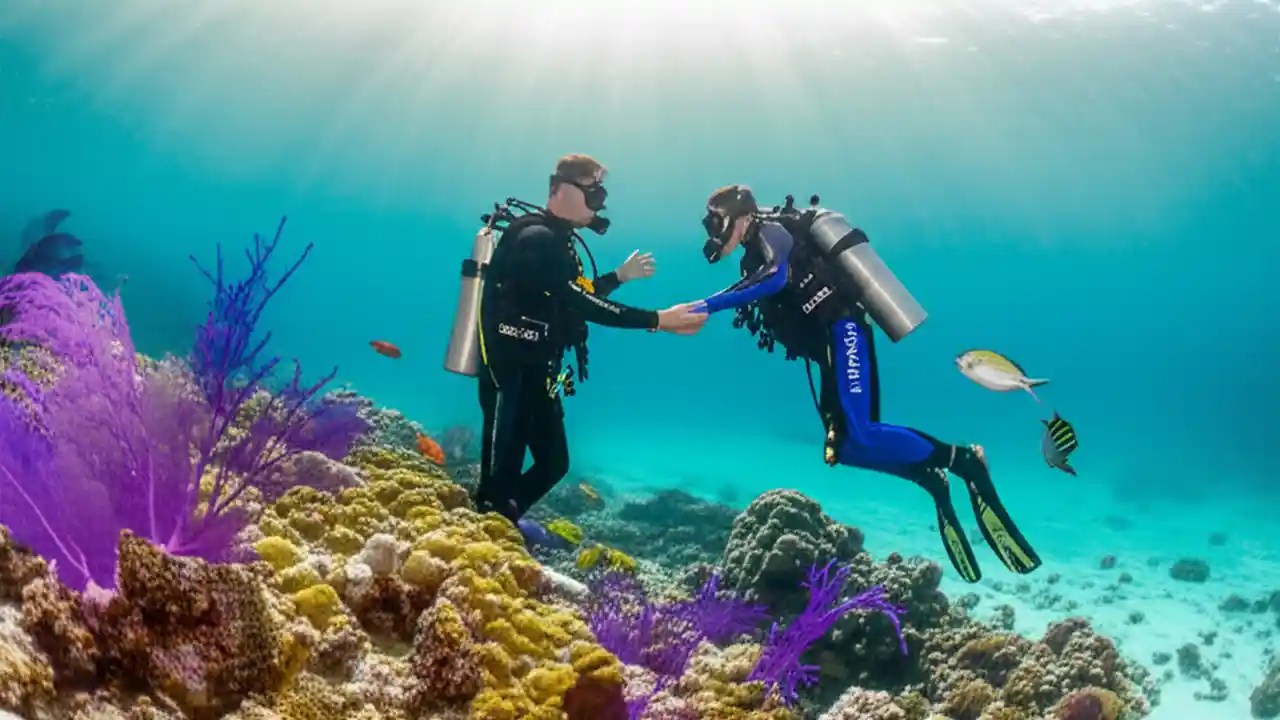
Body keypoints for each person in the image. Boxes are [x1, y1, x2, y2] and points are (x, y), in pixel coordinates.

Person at [688, 184, 1041, 583]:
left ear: (741, 215)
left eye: (715, 220)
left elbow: (774, 278)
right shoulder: (752, 252)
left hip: (845, 330)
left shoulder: (770, 232)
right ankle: (927, 475)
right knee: (845, 448)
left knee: (863, 431)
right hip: (825, 348)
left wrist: (704, 306)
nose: (712, 230)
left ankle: (964, 461)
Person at [473, 154, 706, 524]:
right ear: (559, 190)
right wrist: (658, 320)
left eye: (601, 196)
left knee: (554, 462)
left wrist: (619, 277)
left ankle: (503, 518)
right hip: (510, 372)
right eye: (593, 194)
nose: (600, 205)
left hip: (539, 370)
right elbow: (581, 302)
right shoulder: (535, 239)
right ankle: (487, 523)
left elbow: (572, 297)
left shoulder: (560, 242)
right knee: (500, 479)